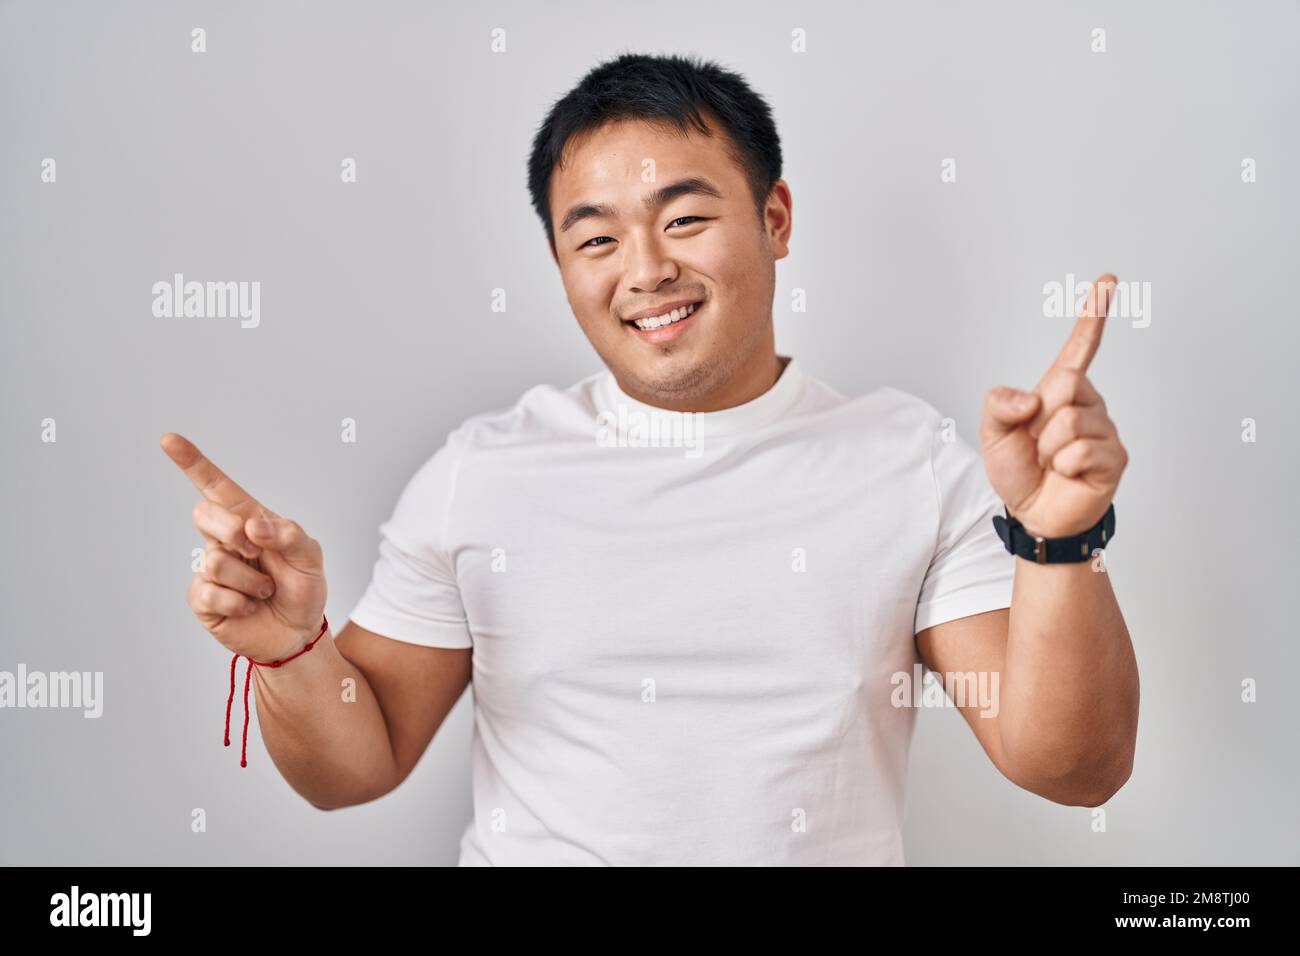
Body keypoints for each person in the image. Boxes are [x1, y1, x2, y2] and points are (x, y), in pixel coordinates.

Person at [161, 52, 1138, 865]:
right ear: (559, 265)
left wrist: (1058, 538)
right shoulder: (482, 473)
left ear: (775, 219)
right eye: (594, 237)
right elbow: (353, 768)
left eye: (684, 219)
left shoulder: (909, 461)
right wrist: (292, 647)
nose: (645, 270)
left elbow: (1071, 766)